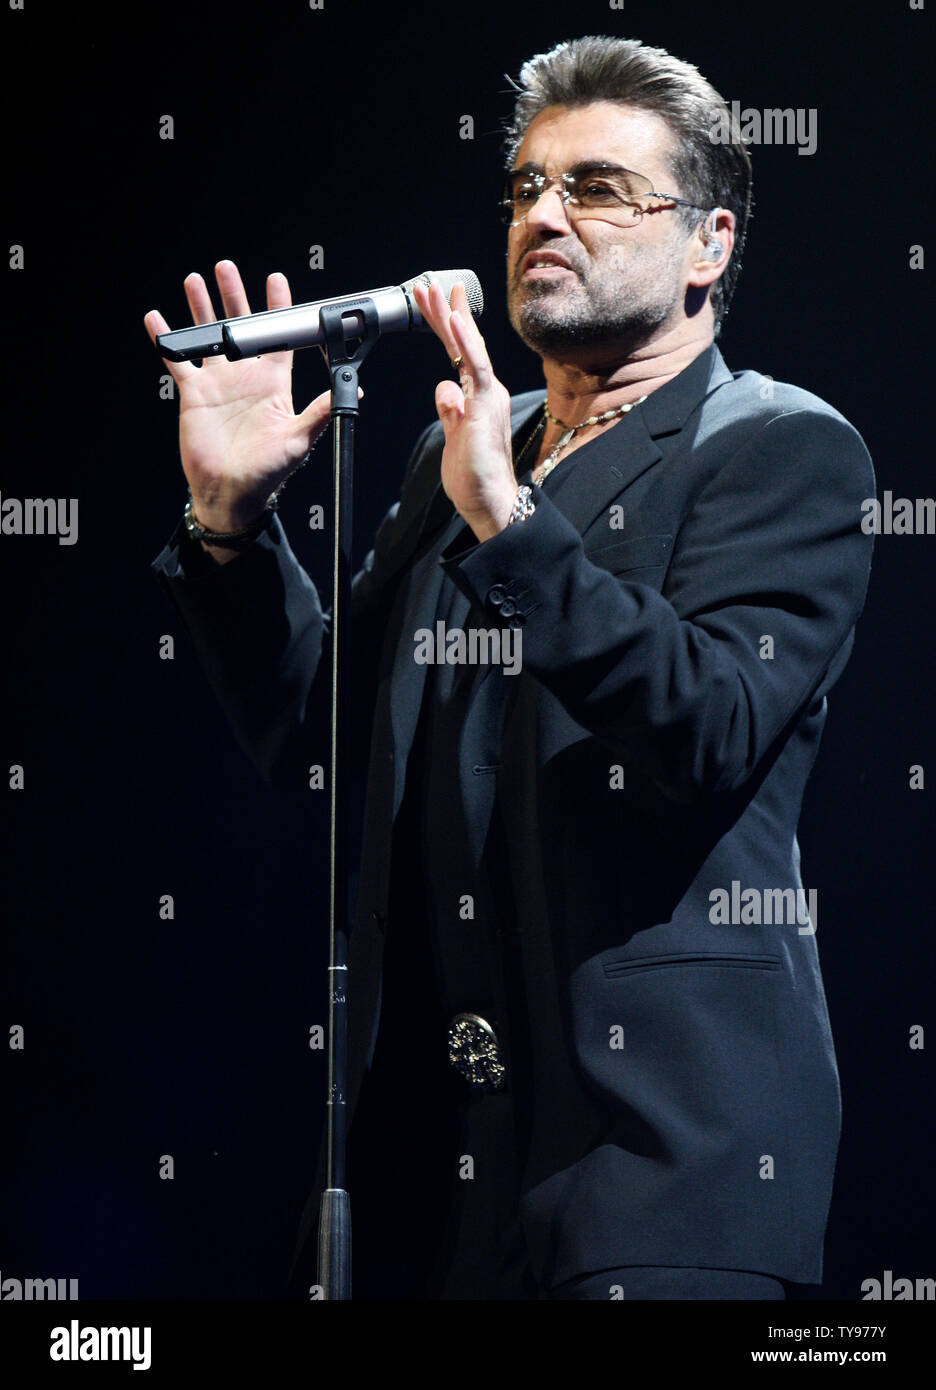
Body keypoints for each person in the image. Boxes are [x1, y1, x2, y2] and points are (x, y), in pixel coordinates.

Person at [145, 36, 875, 1300]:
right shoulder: (462, 464)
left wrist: (514, 523)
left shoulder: (781, 448)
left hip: (662, 1171)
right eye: (527, 186)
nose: (544, 213)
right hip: (436, 1181)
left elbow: (710, 720)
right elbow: (328, 744)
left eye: (596, 188)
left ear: (706, 245)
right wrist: (231, 526)